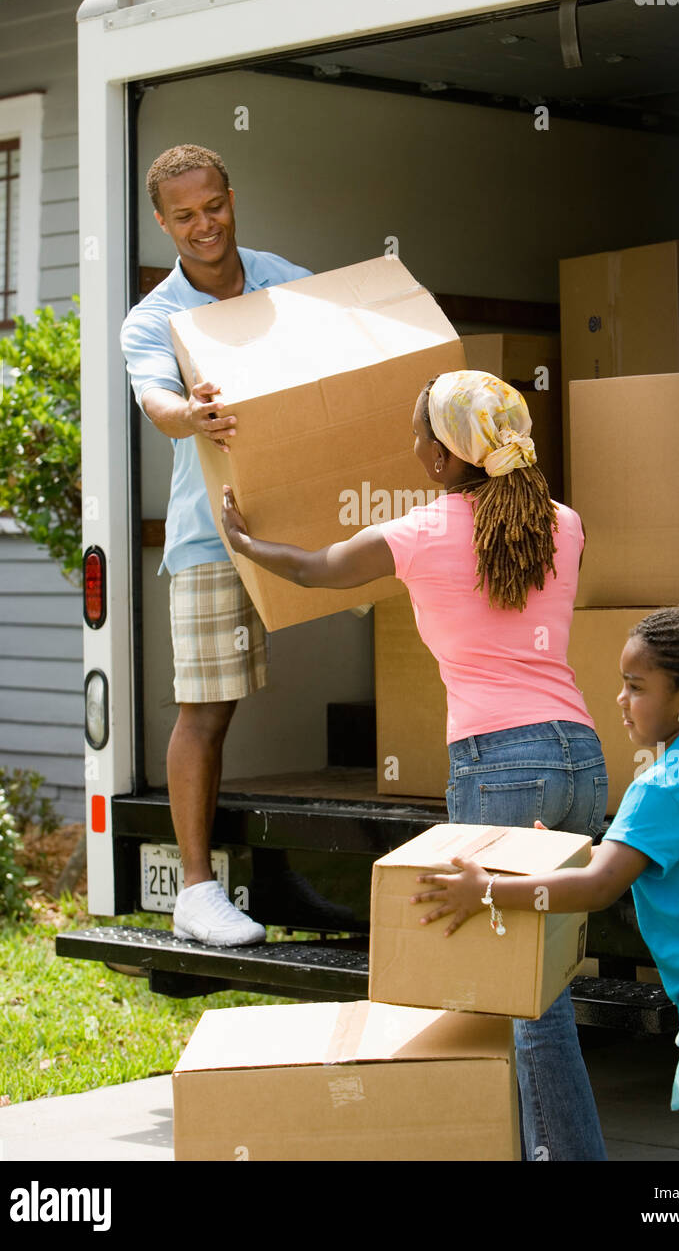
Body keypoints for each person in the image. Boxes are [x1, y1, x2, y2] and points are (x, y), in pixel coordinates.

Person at [220, 369, 609, 1161]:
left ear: (443, 456)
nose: (415, 448)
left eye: (422, 436)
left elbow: (316, 568)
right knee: (546, 987)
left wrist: (245, 543)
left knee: (521, 1002)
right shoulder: (563, 523)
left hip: (502, 765)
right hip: (581, 757)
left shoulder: (423, 531)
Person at [412, 606, 679, 1162]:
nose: (620, 699)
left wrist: (487, 890)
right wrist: (561, 854)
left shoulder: (661, 784)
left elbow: (600, 887)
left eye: (635, 686)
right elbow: (629, 858)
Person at [120, 143, 312, 946]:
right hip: (213, 533)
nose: (206, 226)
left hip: (308, 515)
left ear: (233, 196)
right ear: (163, 223)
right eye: (186, 216)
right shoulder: (155, 318)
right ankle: (196, 892)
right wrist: (189, 414)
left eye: (215, 206)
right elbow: (157, 401)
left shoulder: (286, 282)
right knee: (205, 709)